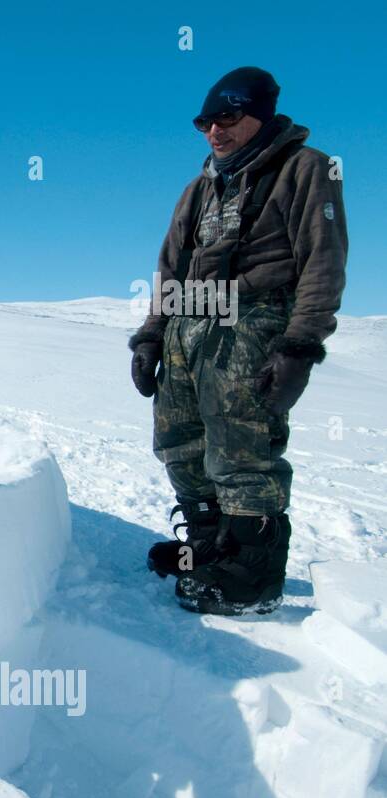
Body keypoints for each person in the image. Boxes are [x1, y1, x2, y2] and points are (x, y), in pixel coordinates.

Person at [129, 67, 348, 615]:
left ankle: (252, 574)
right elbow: (170, 267)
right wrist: (152, 335)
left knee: (242, 446)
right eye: (205, 121)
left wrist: (300, 347)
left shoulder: (308, 169)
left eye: (226, 118)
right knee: (181, 440)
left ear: (261, 113)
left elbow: (323, 261)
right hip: (188, 325)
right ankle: (208, 549)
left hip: (252, 321)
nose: (213, 131)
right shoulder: (200, 186)